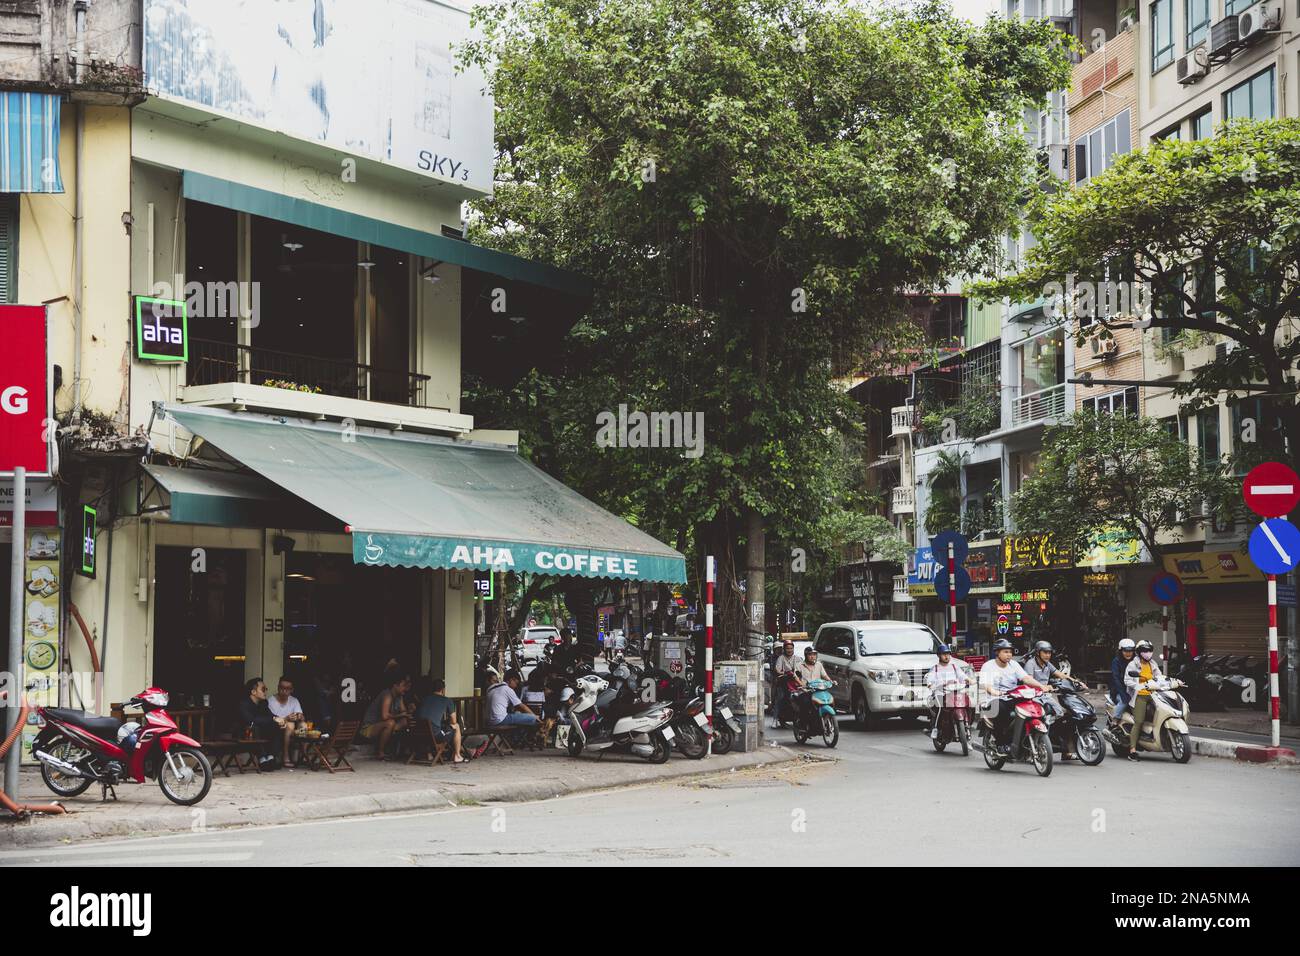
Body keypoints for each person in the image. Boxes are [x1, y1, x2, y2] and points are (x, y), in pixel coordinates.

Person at [978, 639, 1050, 755]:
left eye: (1010, 652)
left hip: (1014, 697)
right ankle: (1001, 743)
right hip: (995, 699)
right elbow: (986, 685)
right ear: (997, 653)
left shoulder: (1014, 664)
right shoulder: (988, 666)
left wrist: (1041, 686)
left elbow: (1026, 678)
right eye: (1005, 652)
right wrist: (994, 692)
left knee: (1034, 708)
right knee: (1001, 710)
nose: (1009, 655)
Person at [1123, 640, 1164, 761]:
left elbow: (1160, 677)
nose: (1148, 653)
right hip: (1139, 695)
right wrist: (1138, 686)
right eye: (1145, 651)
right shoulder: (1132, 665)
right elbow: (1127, 680)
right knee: (1139, 721)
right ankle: (1132, 750)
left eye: (1149, 650)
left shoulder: (1153, 664)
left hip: (1153, 695)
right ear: (1139, 652)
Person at [360, 672, 413, 760]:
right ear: (395, 685)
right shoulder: (387, 695)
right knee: (390, 723)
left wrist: (408, 711)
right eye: (403, 685)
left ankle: (392, 743)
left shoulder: (399, 697)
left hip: (382, 727)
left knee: (404, 721)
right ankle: (380, 752)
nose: (405, 688)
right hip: (368, 729)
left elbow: (404, 712)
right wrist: (401, 714)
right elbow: (384, 716)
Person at [924, 644, 971, 738]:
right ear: (939, 656)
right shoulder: (935, 668)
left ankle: (967, 726)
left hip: (955, 691)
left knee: (968, 704)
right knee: (940, 708)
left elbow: (962, 676)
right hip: (940, 693)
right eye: (944, 654)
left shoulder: (954, 666)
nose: (946, 656)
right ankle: (935, 729)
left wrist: (969, 680)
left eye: (948, 654)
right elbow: (929, 678)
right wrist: (930, 684)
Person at [415, 677, 464, 764]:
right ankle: (457, 755)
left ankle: (429, 754)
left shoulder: (424, 699)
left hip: (419, 734)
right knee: (456, 726)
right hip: (434, 735)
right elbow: (453, 721)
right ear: (443, 689)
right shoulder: (447, 700)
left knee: (434, 726)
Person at [236, 677, 281, 769]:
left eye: (266, 689)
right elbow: (250, 720)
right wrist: (272, 719)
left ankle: (271, 757)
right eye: (263, 689)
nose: (265, 692)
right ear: (253, 692)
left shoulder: (263, 703)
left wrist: (278, 719)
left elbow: (270, 715)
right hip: (244, 733)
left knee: (275, 725)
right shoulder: (244, 704)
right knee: (255, 727)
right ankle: (262, 759)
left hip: (260, 732)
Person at [267, 676, 307, 767]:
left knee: (303, 725)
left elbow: (302, 717)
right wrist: (286, 718)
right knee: (290, 725)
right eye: (282, 688)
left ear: (292, 690)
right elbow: (272, 719)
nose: (284, 690)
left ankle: (303, 755)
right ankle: (286, 756)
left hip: (293, 732)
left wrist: (299, 716)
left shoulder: (294, 700)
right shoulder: (271, 701)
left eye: (288, 688)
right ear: (278, 687)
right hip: (277, 729)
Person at [770, 640, 798, 728]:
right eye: (787, 648)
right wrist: (783, 673)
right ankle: (775, 719)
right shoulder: (781, 658)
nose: (789, 650)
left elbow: (800, 668)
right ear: (784, 649)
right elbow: (777, 669)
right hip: (783, 682)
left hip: (795, 683)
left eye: (791, 648)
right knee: (780, 698)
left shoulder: (797, 658)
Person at [1109, 638, 1137, 721]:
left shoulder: (1136, 661)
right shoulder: (1116, 662)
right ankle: (1115, 720)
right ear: (1121, 651)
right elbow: (1116, 679)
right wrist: (1123, 695)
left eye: (1130, 651)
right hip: (1119, 691)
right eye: (1125, 651)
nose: (1128, 653)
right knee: (1124, 702)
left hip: (1135, 690)